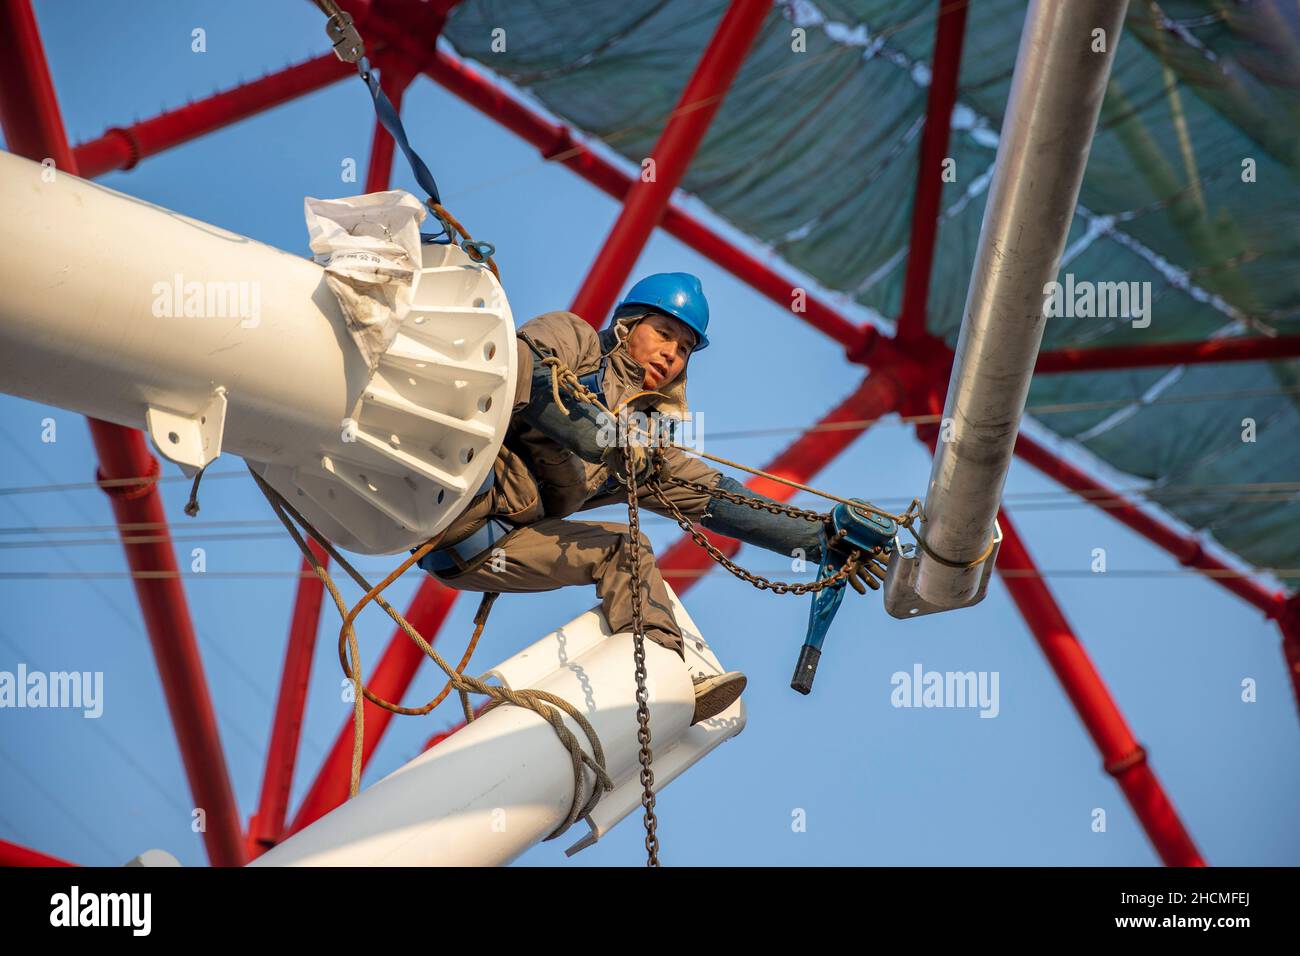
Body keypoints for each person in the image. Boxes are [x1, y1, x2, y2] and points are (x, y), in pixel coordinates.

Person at [416, 272, 879, 723]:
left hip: (482, 550)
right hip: (452, 489)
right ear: (627, 325)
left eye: (685, 349)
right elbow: (527, 373)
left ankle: (662, 678)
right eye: (664, 333)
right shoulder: (573, 339)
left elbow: (717, 499)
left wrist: (822, 539)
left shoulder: (645, 448)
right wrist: (605, 439)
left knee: (627, 551)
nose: (672, 353)